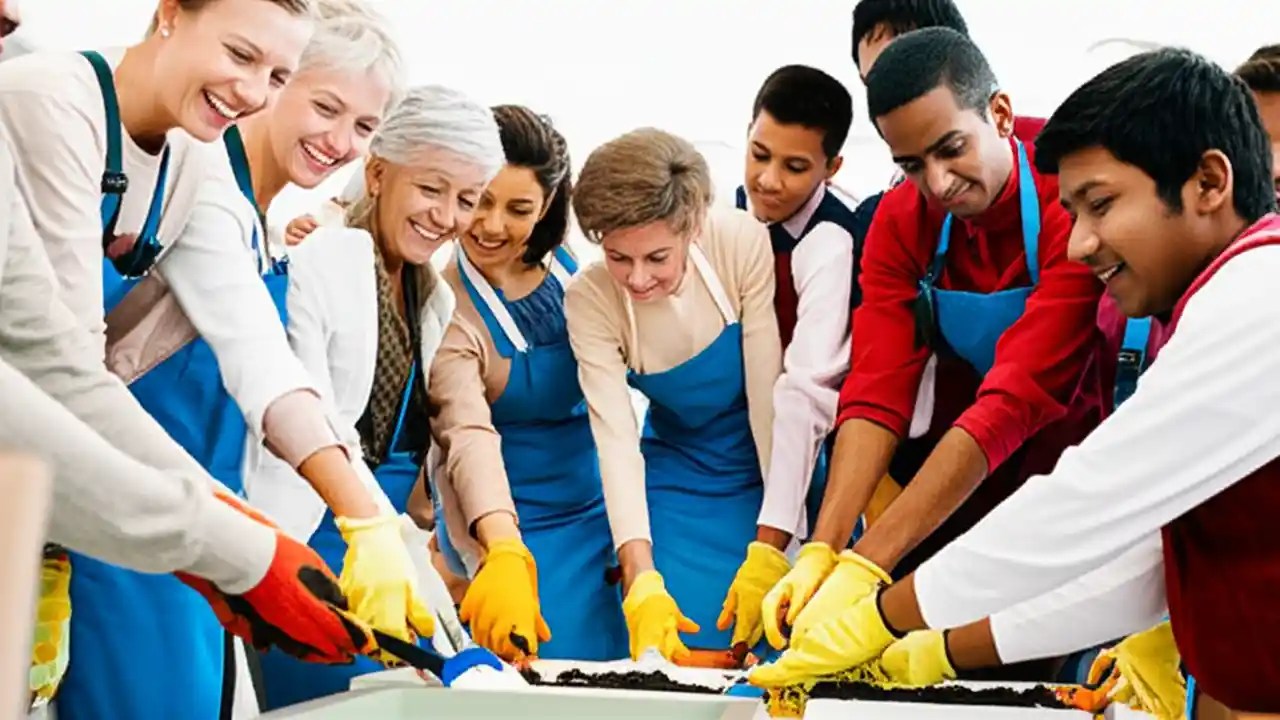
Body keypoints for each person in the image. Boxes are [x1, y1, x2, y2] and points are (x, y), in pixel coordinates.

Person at [749, 46, 1280, 718]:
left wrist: (880, 606)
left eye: (1101, 206)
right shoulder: (1216, 300)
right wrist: (936, 648)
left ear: (1209, 183)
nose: (1081, 244)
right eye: (911, 165)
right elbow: (1140, 566)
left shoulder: (1258, 302)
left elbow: (1083, 503)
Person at [0, 2, 335, 719]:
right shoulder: (45, 100)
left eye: (277, 74)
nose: (253, 92)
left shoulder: (194, 159)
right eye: (240, 55)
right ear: (169, 16)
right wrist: (227, 544)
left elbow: (55, 357)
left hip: (69, 485)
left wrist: (246, 532)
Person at [759, 27, 1110, 662]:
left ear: (999, 114)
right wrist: (826, 549)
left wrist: (867, 564)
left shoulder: (1072, 198)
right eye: (912, 164)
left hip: (1069, 485)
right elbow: (876, 391)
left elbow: (1018, 395)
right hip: (953, 490)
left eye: (951, 150)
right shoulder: (901, 221)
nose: (939, 182)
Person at [254, 85, 505, 707]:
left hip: (386, 550)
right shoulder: (323, 257)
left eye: (466, 199)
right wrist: (382, 543)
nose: (447, 216)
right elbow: (312, 420)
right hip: (317, 535)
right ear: (377, 172)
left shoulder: (429, 291)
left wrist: (426, 558)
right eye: (431, 188)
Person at [564, 128, 782, 662]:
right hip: (675, 476)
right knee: (679, 649)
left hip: (769, 470)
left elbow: (770, 404)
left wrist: (776, 544)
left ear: (694, 226)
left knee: (779, 642)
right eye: (618, 258)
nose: (637, 279)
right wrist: (641, 579)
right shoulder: (589, 299)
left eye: (657, 257)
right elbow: (615, 442)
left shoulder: (741, 242)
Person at [426, 105, 629, 664]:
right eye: (480, 200)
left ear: (546, 209)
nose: (492, 226)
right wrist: (504, 552)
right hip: (511, 528)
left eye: (518, 209)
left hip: (598, 517)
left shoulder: (572, 270)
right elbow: (467, 436)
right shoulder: (446, 310)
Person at [722, 65, 861, 653]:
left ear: (833, 169)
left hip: (811, 464)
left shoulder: (832, 242)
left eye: (795, 167)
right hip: (723, 451)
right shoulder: (723, 213)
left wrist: (771, 544)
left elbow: (805, 395)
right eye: (759, 154)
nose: (768, 180)